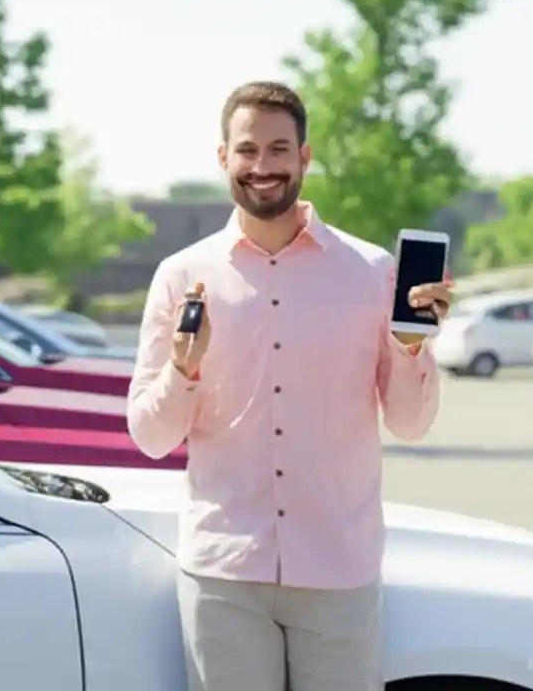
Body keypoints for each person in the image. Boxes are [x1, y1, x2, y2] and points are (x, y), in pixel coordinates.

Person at [126, 80, 453, 691]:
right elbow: (149, 436)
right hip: (225, 576)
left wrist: (412, 347)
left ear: (305, 157)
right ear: (223, 158)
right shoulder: (182, 276)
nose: (263, 166)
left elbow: (410, 424)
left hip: (338, 573)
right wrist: (183, 371)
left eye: (279, 149)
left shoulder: (373, 273)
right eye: (247, 150)